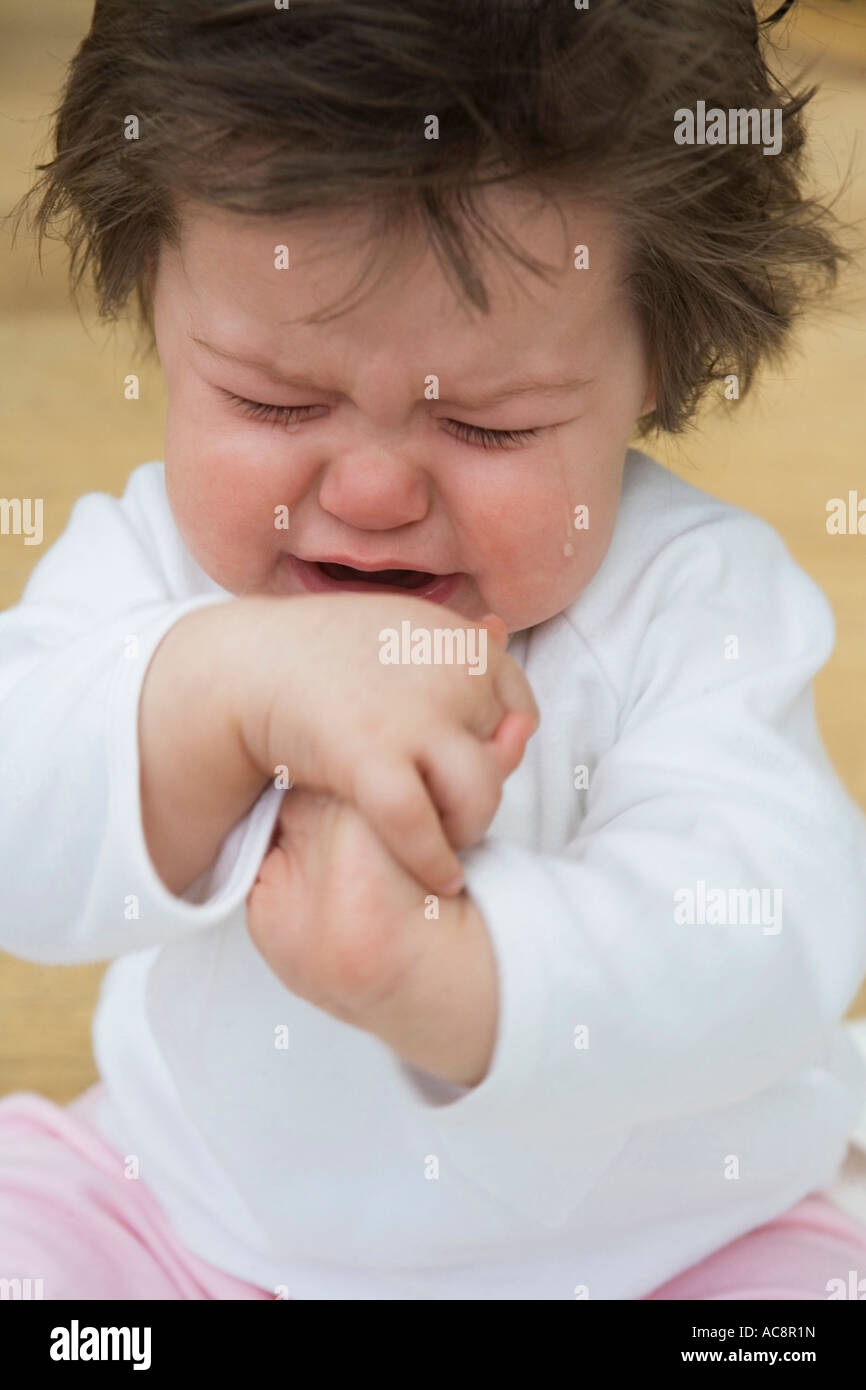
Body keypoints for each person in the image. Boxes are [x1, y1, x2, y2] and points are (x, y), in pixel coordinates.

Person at [2, 0, 866, 1300]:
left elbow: (775, 926)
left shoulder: (691, 596)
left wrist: (442, 970)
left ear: (652, 362)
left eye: (492, 424)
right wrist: (223, 691)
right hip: (189, 1221)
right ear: (154, 306)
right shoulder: (149, 568)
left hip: (668, 1242)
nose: (367, 491)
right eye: (271, 399)